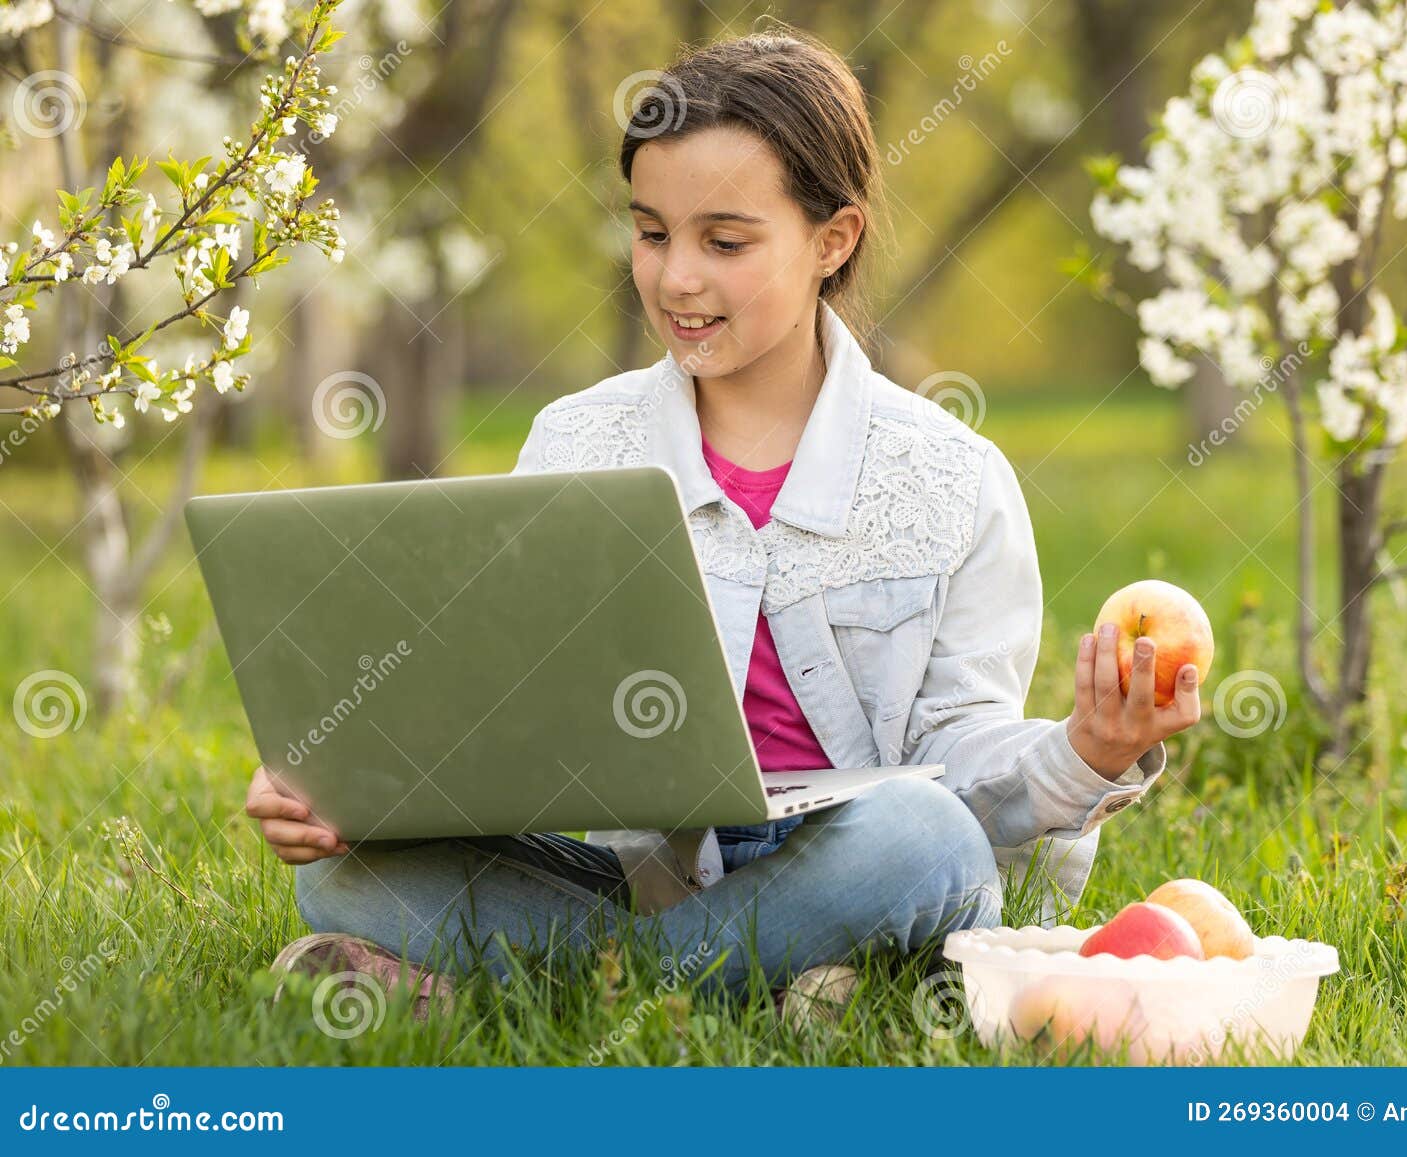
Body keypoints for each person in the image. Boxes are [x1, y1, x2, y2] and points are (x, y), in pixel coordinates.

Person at [253, 26, 1203, 1024]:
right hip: (653, 869)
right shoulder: (578, 442)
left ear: (832, 240)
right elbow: (503, 714)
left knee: (927, 835)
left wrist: (1087, 751)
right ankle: (761, 979)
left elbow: (962, 763)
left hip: (866, 858)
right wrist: (350, 780)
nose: (676, 281)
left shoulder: (951, 476)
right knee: (346, 880)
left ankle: (555, 990)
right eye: (652, 233)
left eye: (725, 242)